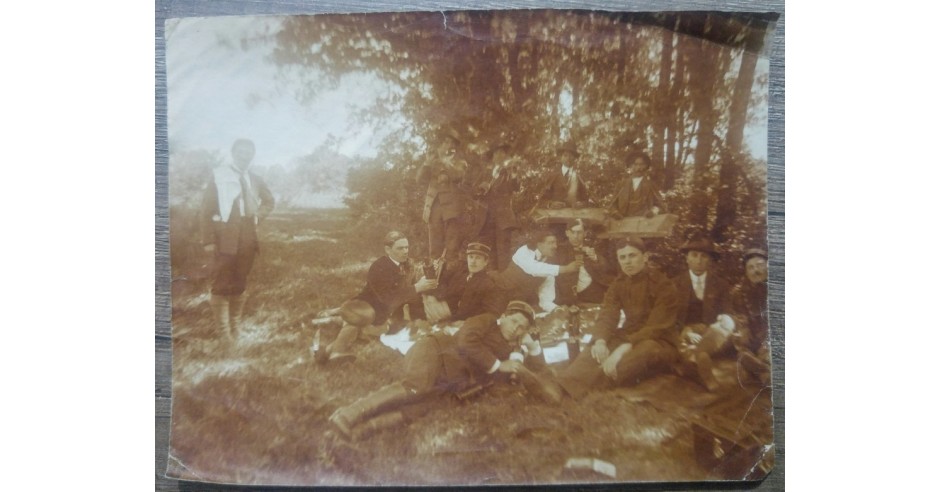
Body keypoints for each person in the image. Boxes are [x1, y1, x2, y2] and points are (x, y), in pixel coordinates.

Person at [328, 301, 560, 440]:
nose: (516, 329)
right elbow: (466, 343)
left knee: (421, 408)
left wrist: (533, 345)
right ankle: (348, 414)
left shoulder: (515, 348)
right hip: (435, 351)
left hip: (454, 380)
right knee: (416, 387)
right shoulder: (487, 321)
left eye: (522, 328)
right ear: (504, 317)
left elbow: (542, 374)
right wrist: (499, 366)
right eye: (514, 322)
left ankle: (362, 431)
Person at [551, 236, 680, 400]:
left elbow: (656, 328)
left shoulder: (663, 285)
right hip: (629, 336)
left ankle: (584, 391)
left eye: (632, 255)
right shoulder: (619, 284)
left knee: (640, 353)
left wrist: (620, 351)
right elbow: (608, 314)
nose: (627, 262)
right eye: (622, 257)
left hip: (660, 342)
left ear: (645, 257)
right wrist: (600, 341)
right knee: (597, 346)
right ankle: (562, 387)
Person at [318, 231, 438, 362]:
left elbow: (409, 293)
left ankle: (330, 344)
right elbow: (387, 298)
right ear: (388, 249)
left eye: (406, 247)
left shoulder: (409, 264)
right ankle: (338, 348)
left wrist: (424, 288)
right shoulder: (379, 267)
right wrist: (416, 287)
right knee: (358, 318)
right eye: (400, 248)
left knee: (381, 330)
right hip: (366, 305)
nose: (405, 251)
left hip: (385, 314)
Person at [201, 138, 275, 341]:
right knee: (222, 281)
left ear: (253, 155)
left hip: (248, 234)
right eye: (241, 152)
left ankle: (236, 328)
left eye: (249, 152)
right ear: (233, 153)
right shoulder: (219, 176)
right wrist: (208, 239)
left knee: (240, 280)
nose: (245, 156)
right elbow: (206, 209)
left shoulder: (255, 178)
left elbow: (269, 201)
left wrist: (259, 214)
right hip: (224, 235)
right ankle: (224, 333)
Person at [671, 236, 736, 391]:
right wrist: (686, 331)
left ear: (710, 260)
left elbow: (728, 313)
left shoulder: (721, 285)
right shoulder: (673, 284)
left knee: (727, 323)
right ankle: (699, 362)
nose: (699, 260)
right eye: (694, 255)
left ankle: (698, 356)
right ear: (687, 258)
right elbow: (669, 316)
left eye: (704, 256)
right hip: (684, 333)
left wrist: (722, 319)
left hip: (711, 333)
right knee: (675, 342)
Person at [491, 228, 582, 313]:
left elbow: (545, 300)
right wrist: (566, 268)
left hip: (516, 305)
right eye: (551, 243)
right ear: (539, 244)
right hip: (495, 296)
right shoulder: (524, 251)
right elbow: (532, 269)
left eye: (555, 243)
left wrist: (557, 309)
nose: (555, 246)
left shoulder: (548, 269)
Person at [418, 128, 470, 262]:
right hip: (434, 206)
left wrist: (444, 163)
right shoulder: (433, 161)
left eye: (451, 143)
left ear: (455, 148)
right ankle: (434, 279)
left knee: (451, 247)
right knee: (435, 247)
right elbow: (420, 180)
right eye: (445, 142)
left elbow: (458, 176)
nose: (448, 145)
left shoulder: (460, 162)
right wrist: (427, 163)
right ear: (440, 144)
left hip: (452, 209)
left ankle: (449, 278)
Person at [424, 242, 502, 323]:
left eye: (478, 258)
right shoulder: (460, 272)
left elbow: (489, 313)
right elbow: (441, 282)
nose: (473, 261)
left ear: (486, 262)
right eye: (471, 257)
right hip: (438, 303)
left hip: (453, 318)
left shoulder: (487, 284)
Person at [477, 144, 521, 271]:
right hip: (486, 218)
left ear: (505, 156)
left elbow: (516, 187)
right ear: (493, 157)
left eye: (502, 153)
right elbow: (473, 191)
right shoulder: (485, 173)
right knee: (489, 251)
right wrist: (481, 187)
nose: (499, 155)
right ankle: (491, 282)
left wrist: (513, 175)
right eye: (496, 153)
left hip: (503, 219)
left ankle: (504, 283)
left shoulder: (509, 173)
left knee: (503, 252)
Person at [553, 219, 616, 306]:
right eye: (573, 232)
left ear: (584, 233)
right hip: (568, 296)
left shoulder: (593, 247)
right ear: (567, 233)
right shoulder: (559, 250)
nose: (576, 236)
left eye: (579, 232)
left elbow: (607, 268)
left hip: (592, 294)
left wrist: (595, 258)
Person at [731, 248, 770, 385]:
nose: (756, 271)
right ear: (746, 272)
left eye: (760, 265)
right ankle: (764, 370)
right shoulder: (738, 292)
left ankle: (762, 370)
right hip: (752, 338)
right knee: (742, 344)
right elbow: (740, 317)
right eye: (751, 268)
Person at [609, 151, 664, 219]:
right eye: (635, 164)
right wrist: (615, 213)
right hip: (623, 222)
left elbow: (660, 205)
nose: (638, 167)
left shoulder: (651, 185)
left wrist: (653, 212)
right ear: (630, 166)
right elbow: (612, 204)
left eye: (641, 164)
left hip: (643, 223)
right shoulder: (621, 185)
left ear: (646, 166)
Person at [539, 142, 591, 209]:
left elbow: (587, 200)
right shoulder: (553, 176)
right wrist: (550, 204)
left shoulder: (579, 177)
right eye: (565, 155)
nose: (568, 158)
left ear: (575, 158)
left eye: (571, 156)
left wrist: (582, 204)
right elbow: (541, 200)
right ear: (561, 157)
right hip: (554, 217)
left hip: (575, 216)